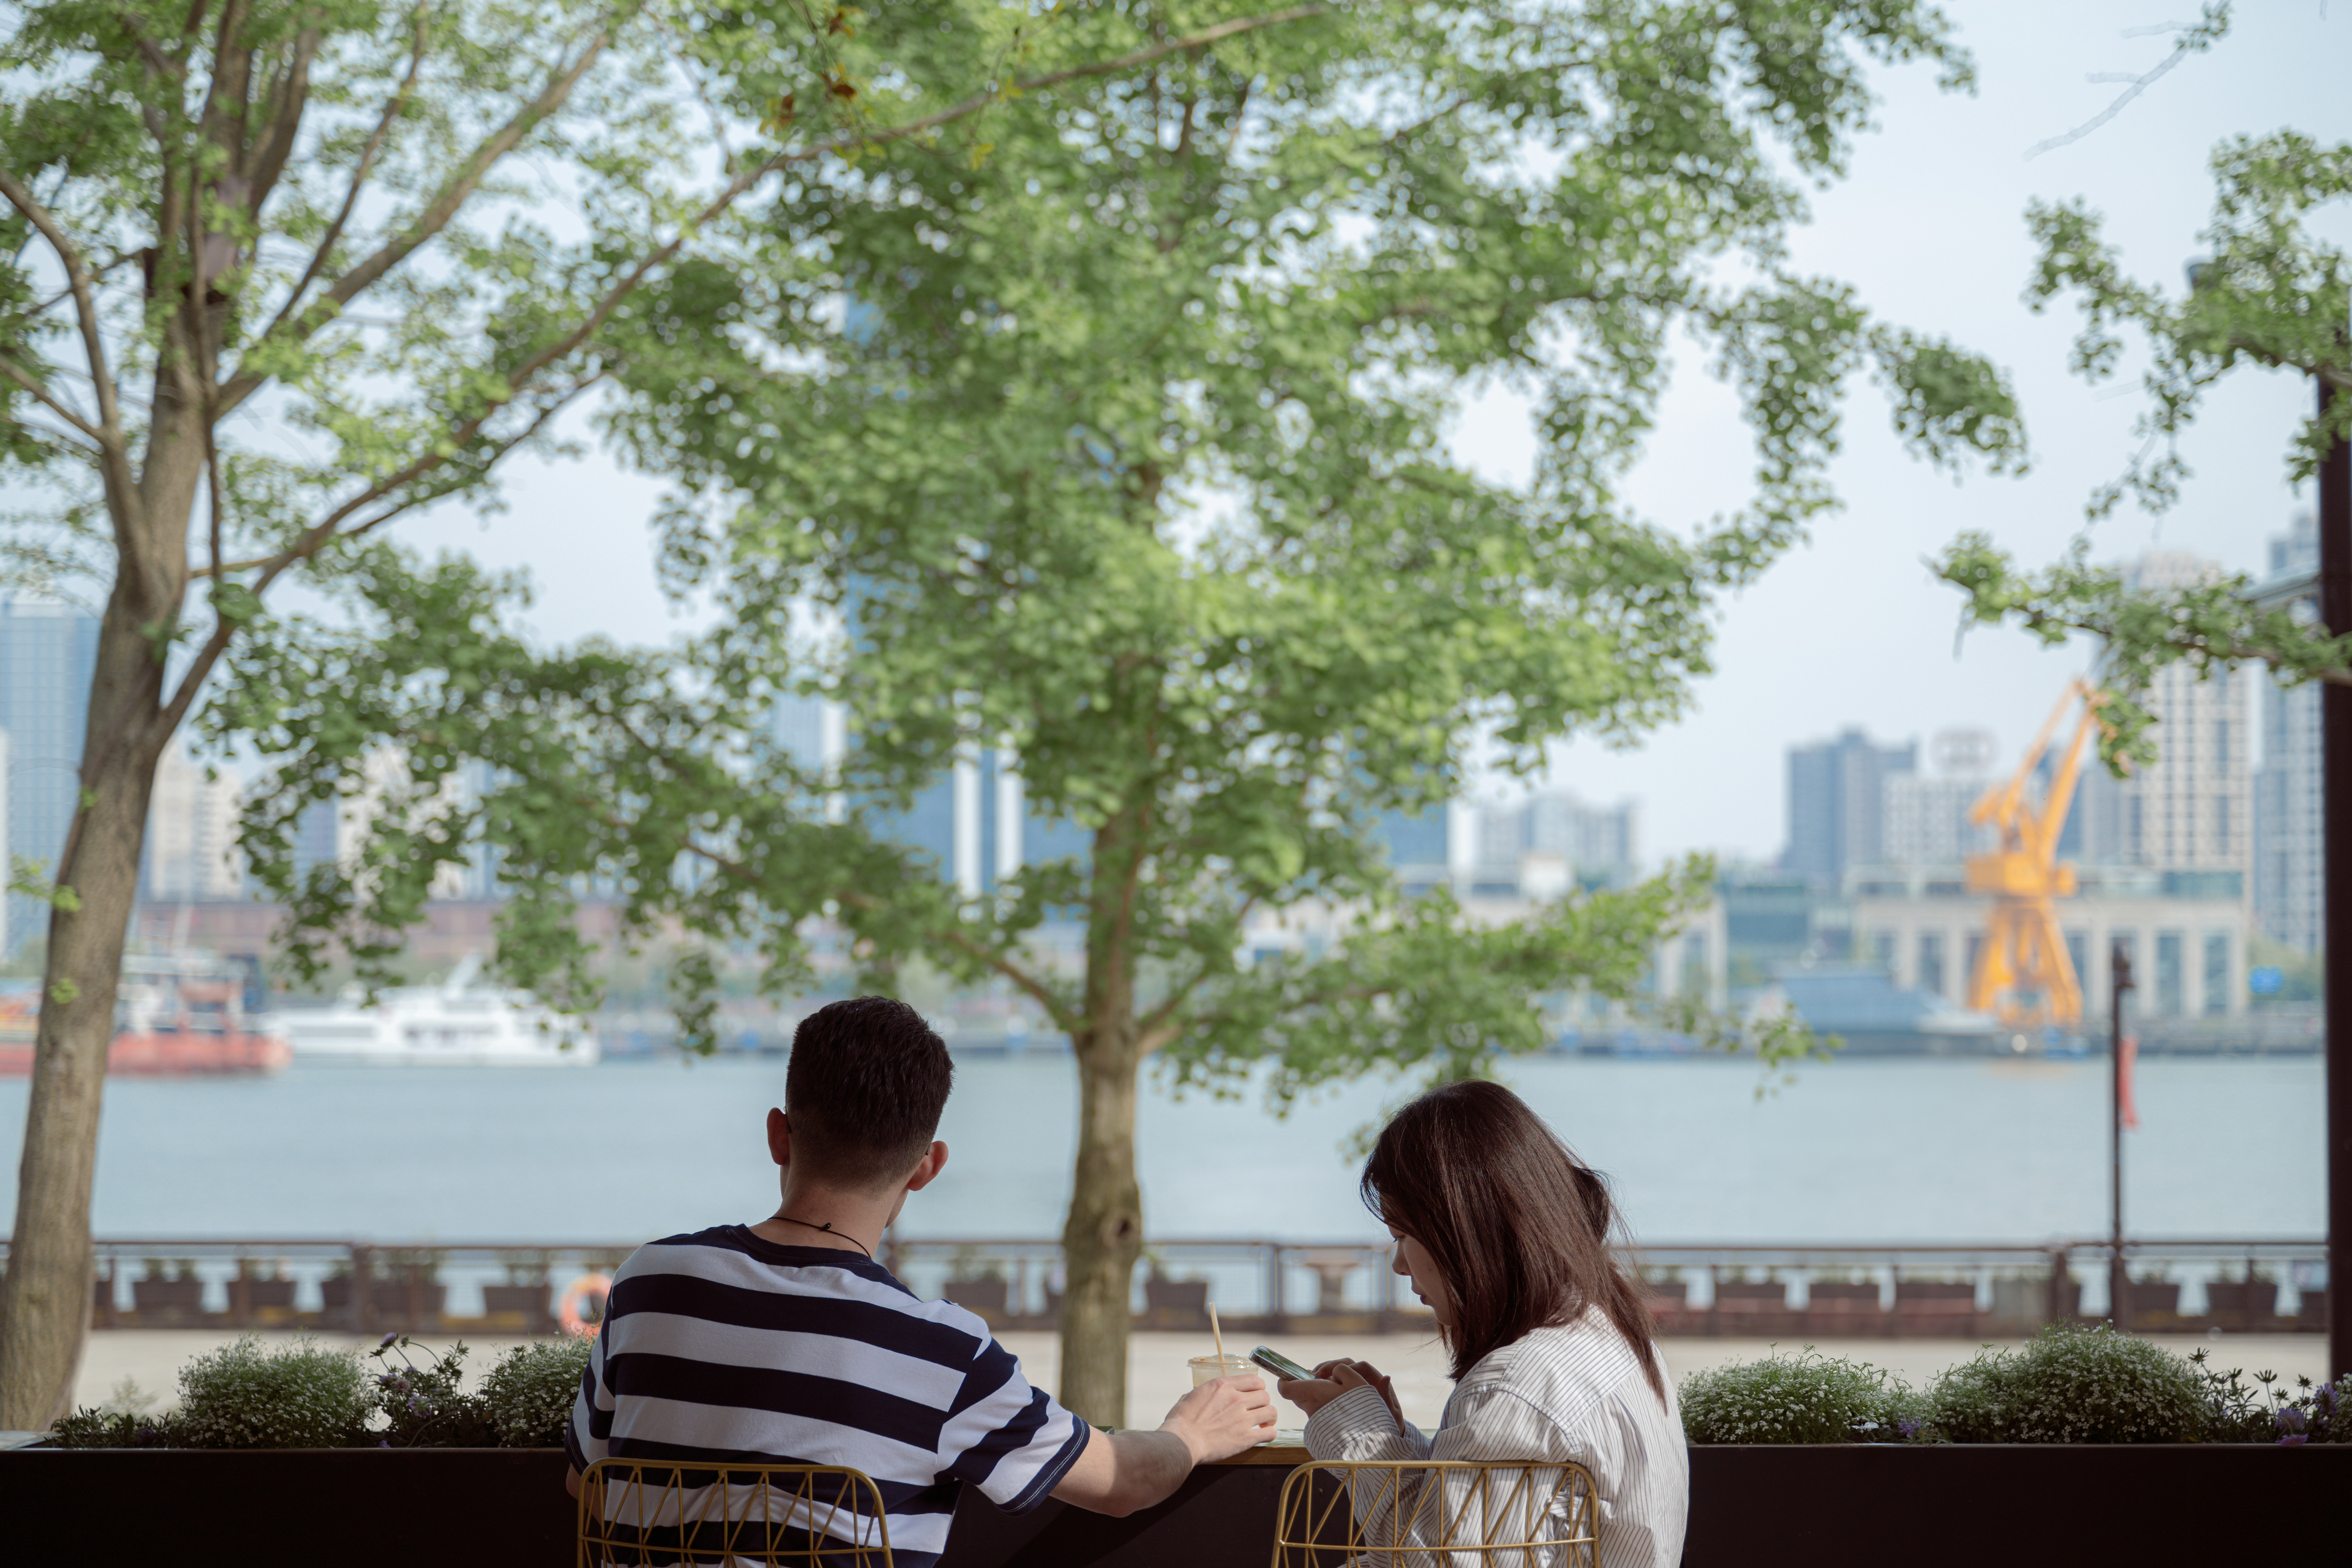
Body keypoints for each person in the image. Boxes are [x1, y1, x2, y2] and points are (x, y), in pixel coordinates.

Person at [563, 996, 1274, 1566]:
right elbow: (1124, 1482)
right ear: (927, 1166)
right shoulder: (940, 1352)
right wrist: (1192, 1430)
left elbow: (584, 1484)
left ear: (780, 1134)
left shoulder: (650, 1282)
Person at [1275, 1080, 1687, 1568]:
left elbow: (1430, 1563)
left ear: (1464, 1230)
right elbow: (1480, 1541)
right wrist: (1390, 1436)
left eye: (1403, 1235)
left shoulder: (1517, 1386)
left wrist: (1358, 1435)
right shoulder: (1606, 1334)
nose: (1400, 1266)